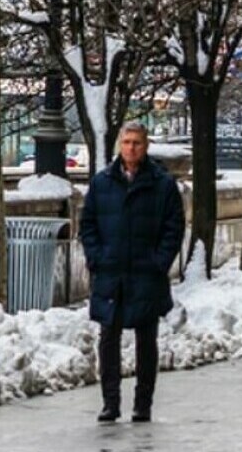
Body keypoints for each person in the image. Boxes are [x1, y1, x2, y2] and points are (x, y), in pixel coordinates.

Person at [78, 121, 185, 423]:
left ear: (146, 145)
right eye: (126, 142)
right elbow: (88, 224)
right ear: (119, 146)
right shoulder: (102, 183)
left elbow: (173, 227)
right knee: (108, 338)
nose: (131, 148)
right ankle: (110, 402)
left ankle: (143, 403)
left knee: (145, 340)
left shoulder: (162, 184)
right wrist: (97, 258)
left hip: (145, 273)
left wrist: (159, 262)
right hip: (111, 272)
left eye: (137, 142)